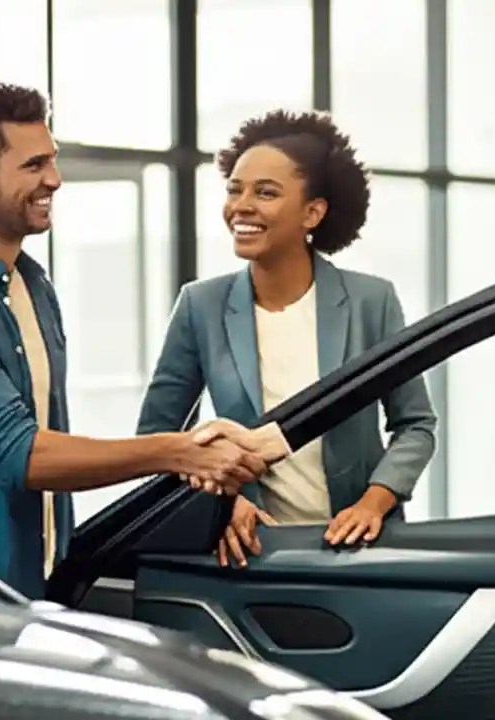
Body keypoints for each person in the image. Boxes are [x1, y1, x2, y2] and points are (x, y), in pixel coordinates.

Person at [0, 83, 274, 599]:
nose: (54, 180)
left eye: (52, 161)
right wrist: (179, 452)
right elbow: (22, 456)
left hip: (38, 586)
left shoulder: (31, 284)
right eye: (33, 165)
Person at [136, 109, 437, 568]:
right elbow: (157, 437)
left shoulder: (370, 301)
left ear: (313, 212)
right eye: (235, 189)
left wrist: (374, 503)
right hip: (249, 552)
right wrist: (222, 503)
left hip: (361, 547)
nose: (241, 206)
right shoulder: (201, 305)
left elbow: (415, 424)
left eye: (266, 192)